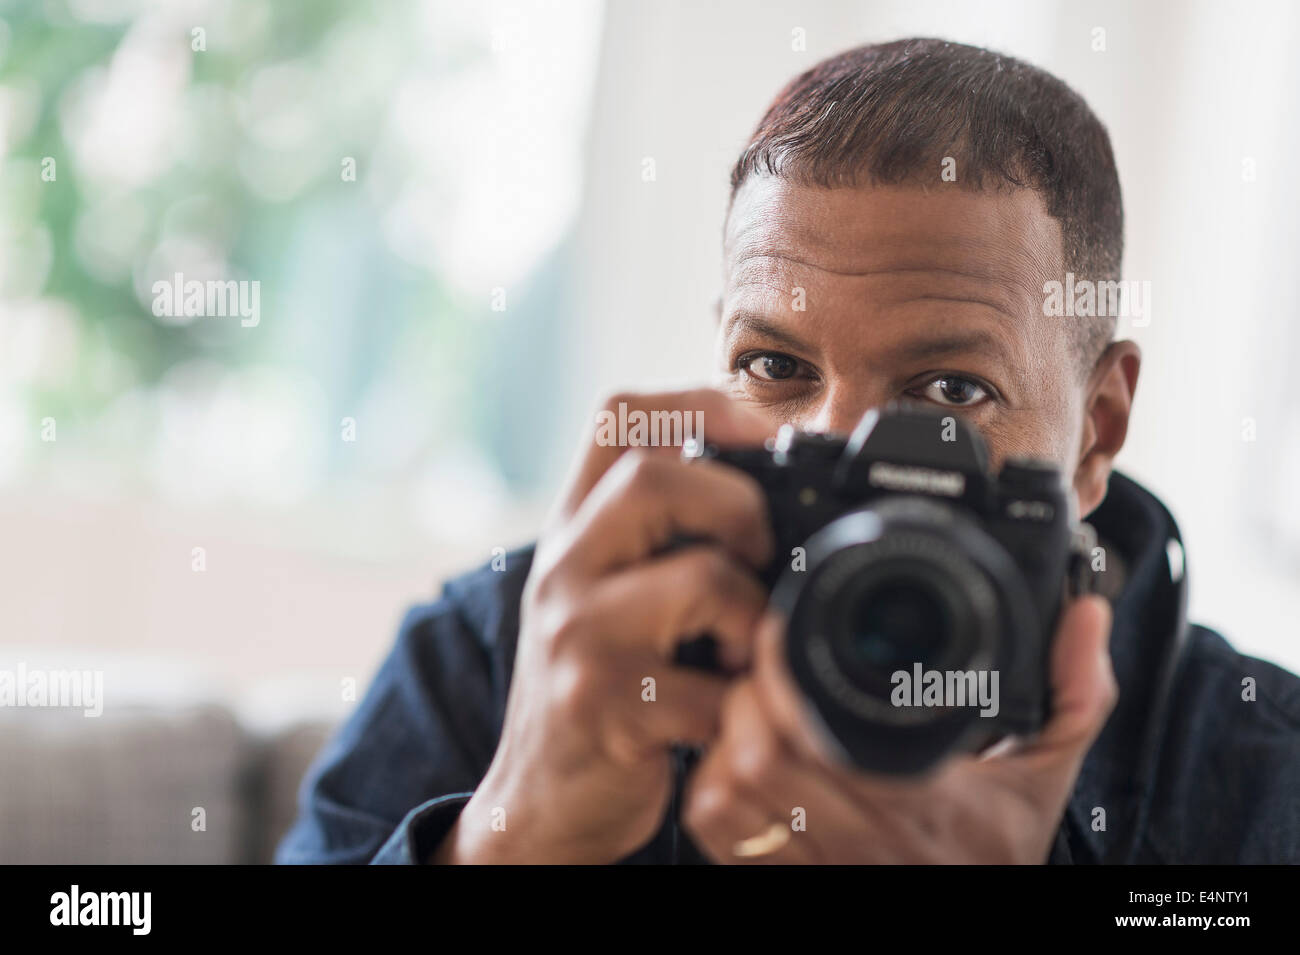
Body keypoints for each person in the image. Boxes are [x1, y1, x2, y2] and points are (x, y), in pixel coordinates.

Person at [276, 38, 1300, 865]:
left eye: (950, 392)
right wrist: (510, 837)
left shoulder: (1262, 771)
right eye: (773, 368)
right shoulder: (502, 657)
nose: (840, 453)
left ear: (1095, 432)